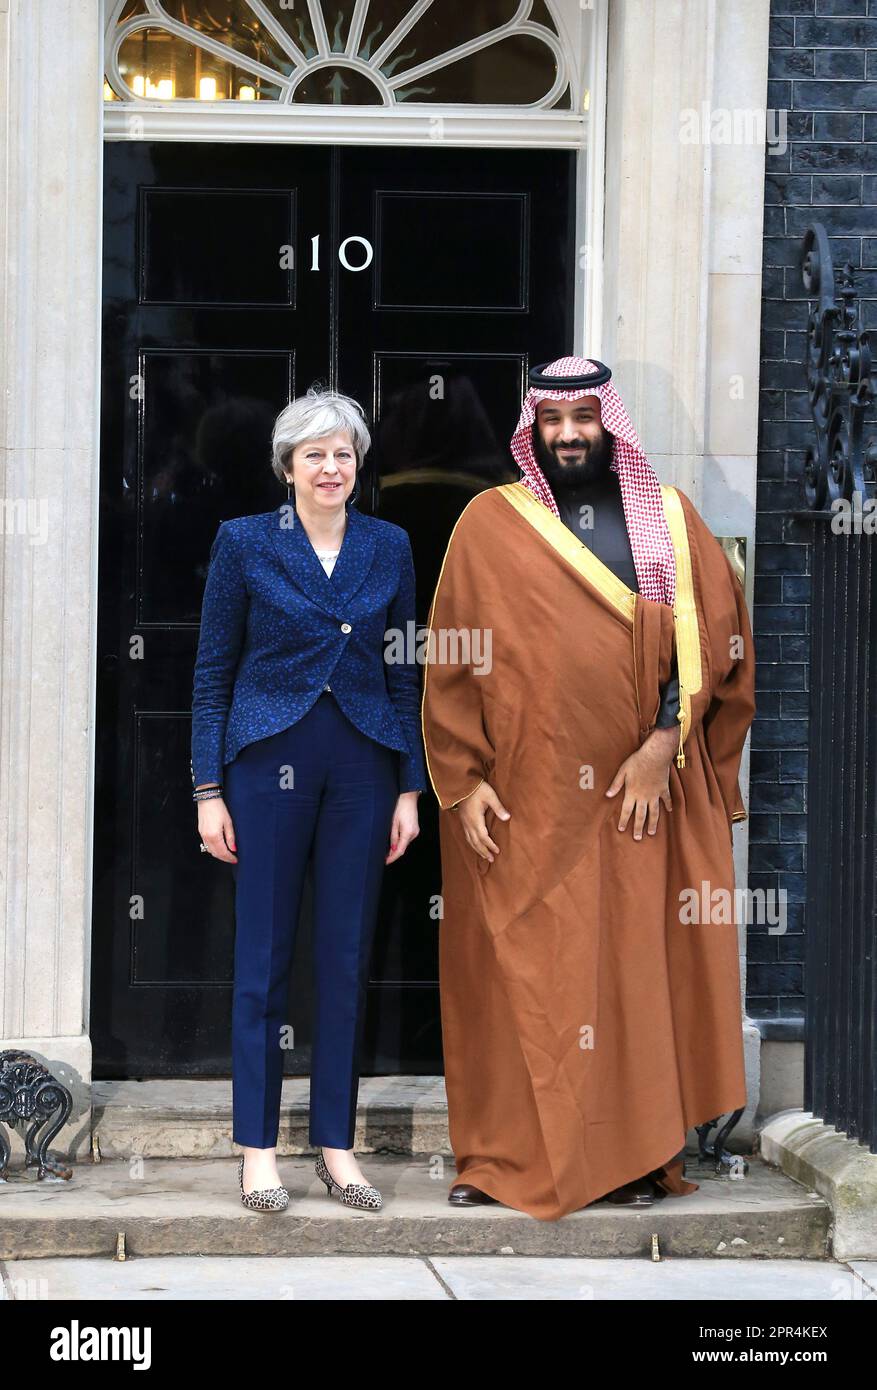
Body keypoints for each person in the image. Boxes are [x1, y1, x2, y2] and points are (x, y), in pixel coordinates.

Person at [421, 355, 756, 1220]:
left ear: (611, 424)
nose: (570, 433)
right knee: (512, 972)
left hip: (639, 797)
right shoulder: (489, 524)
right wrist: (459, 783)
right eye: (553, 420)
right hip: (521, 799)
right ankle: (495, 1156)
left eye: (585, 417)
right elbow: (451, 658)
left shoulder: (671, 524)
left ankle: (637, 1157)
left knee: (630, 976)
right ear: (531, 429)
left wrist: (658, 747)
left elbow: (714, 650)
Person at [191, 387, 427, 1213]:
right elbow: (213, 672)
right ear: (287, 466)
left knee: (343, 959)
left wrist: (409, 787)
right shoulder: (244, 543)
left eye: (344, 454)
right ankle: (257, 1152)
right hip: (267, 766)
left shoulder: (389, 545)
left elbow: (405, 672)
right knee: (261, 962)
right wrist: (207, 790)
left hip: (362, 765)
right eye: (315, 454)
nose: (331, 468)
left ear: (359, 467)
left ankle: (336, 1147)